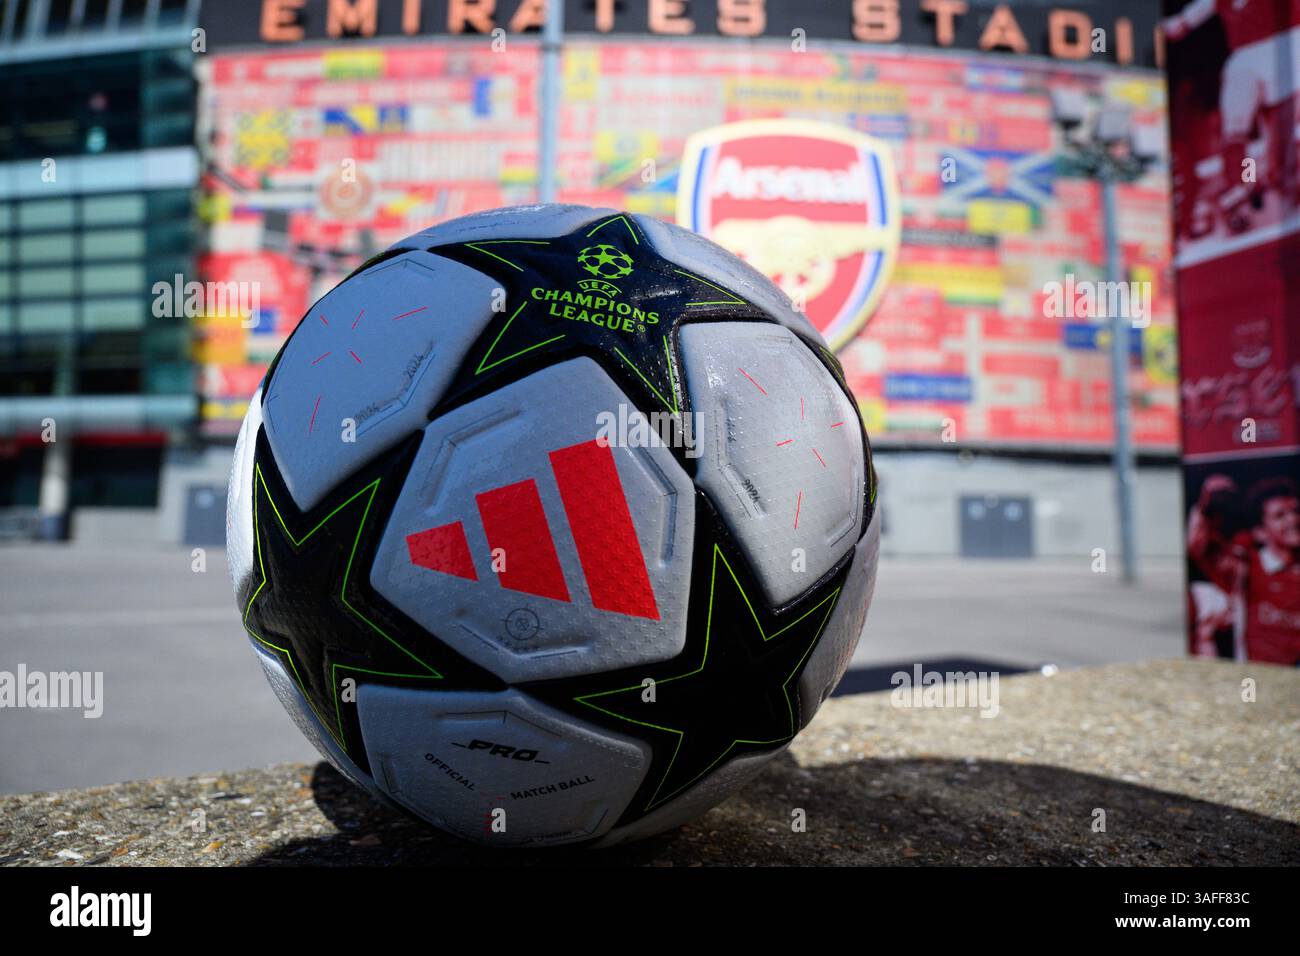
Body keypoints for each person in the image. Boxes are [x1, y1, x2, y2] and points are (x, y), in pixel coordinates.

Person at [1187, 473, 1300, 664]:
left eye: (1296, 511)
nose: (1293, 520)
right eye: (1280, 515)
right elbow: (1199, 547)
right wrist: (1205, 507)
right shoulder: (1247, 568)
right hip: (1262, 678)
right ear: (1260, 532)